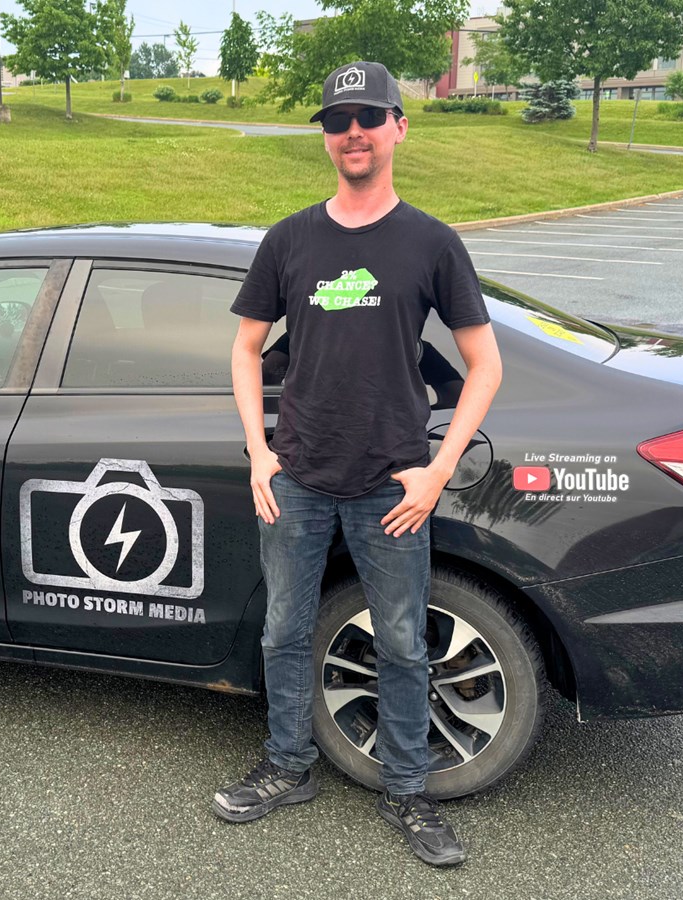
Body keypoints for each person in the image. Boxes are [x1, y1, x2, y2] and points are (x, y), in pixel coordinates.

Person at [217, 60, 503, 868]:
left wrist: (438, 470)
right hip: (298, 481)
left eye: (369, 118)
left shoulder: (431, 244)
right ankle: (288, 765)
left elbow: (484, 365)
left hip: (391, 487)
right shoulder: (290, 240)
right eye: (339, 120)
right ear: (326, 136)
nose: (353, 132)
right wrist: (259, 455)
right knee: (282, 631)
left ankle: (409, 792)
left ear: (399, 128)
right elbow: (244, 350)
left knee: (405, 644)